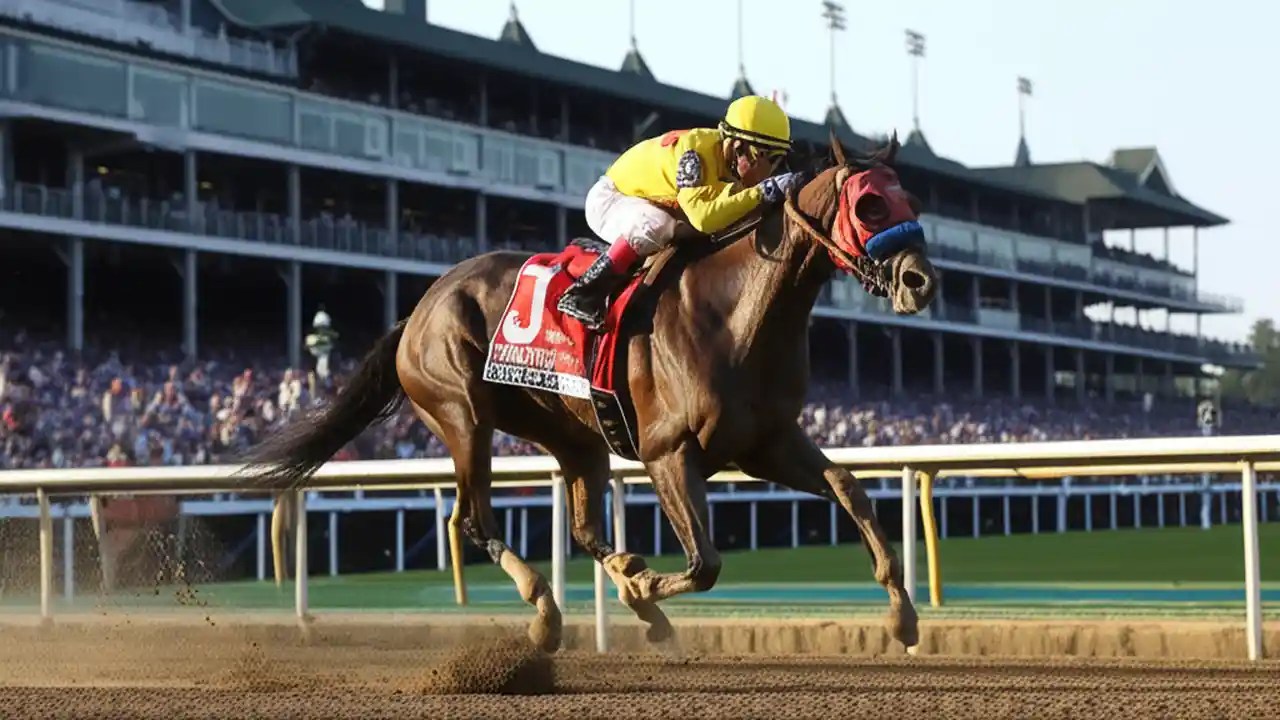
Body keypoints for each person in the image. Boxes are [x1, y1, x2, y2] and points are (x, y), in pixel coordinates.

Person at [557, 95, 805, 328]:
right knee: (658, 224)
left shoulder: (729, 161)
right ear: (739, 147)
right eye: (769, 158)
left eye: (778, 160)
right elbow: (704, 218)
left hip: (657, 205)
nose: (771, 170)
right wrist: (762, 192)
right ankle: (584, 293)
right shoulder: (693, 155)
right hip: (611, 200)